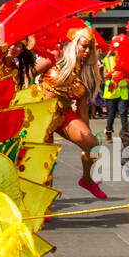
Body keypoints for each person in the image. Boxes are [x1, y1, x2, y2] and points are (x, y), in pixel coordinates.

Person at [39, 27, 105, 198]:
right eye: (84, 46)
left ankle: (87, 180)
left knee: (92, 144)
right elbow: (28, 73)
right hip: (39, 115)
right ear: (74, 45)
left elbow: (83, 111)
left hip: (62, 115)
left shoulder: (85, 75)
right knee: (44, 161)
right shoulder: (54, 57)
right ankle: (43, 203)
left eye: (90, 47)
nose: (87, 51)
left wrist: (86, 133)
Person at [102, 43, 129, 142]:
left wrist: (125, 76)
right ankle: (108, 131)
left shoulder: (125, 60)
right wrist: (112, 74)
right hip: (111, 91)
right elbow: (104, 75)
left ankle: (126, 135)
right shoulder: (108, 60)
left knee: (123, 113)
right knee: (111, 114)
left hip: (122, 91)